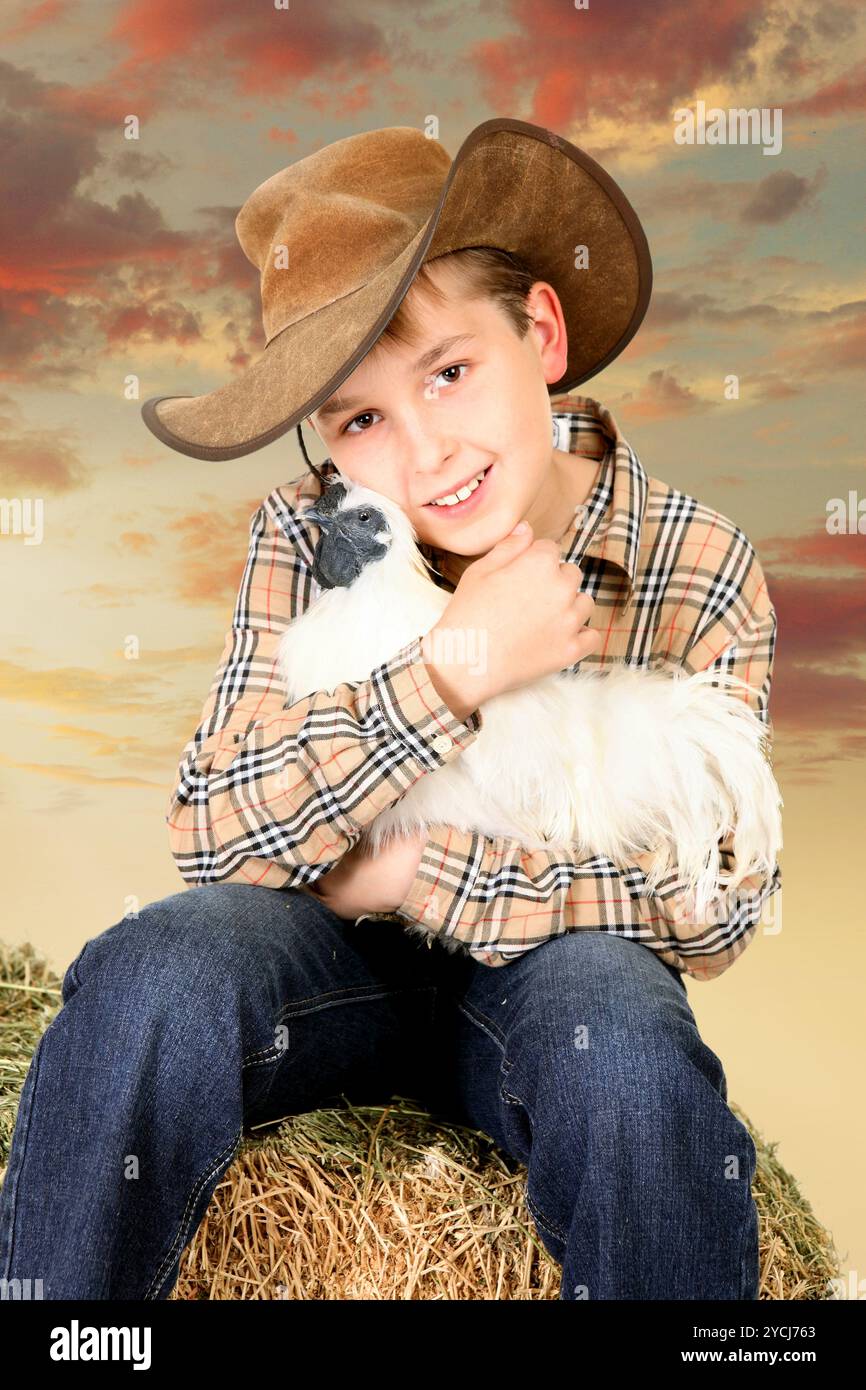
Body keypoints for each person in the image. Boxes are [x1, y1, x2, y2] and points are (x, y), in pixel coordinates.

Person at [0, 119, 779, 1301]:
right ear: (325, 440)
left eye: (450, 371)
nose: (423, 455)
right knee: (157, 972)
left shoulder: (691, 556)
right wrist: (454, 668)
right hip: (328, 970)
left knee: (621, 1049)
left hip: (555, 982)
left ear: (543, 335)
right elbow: (215, 824)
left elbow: (713, 911)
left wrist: (412, 875)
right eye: (360, 419)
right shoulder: (305, 533)